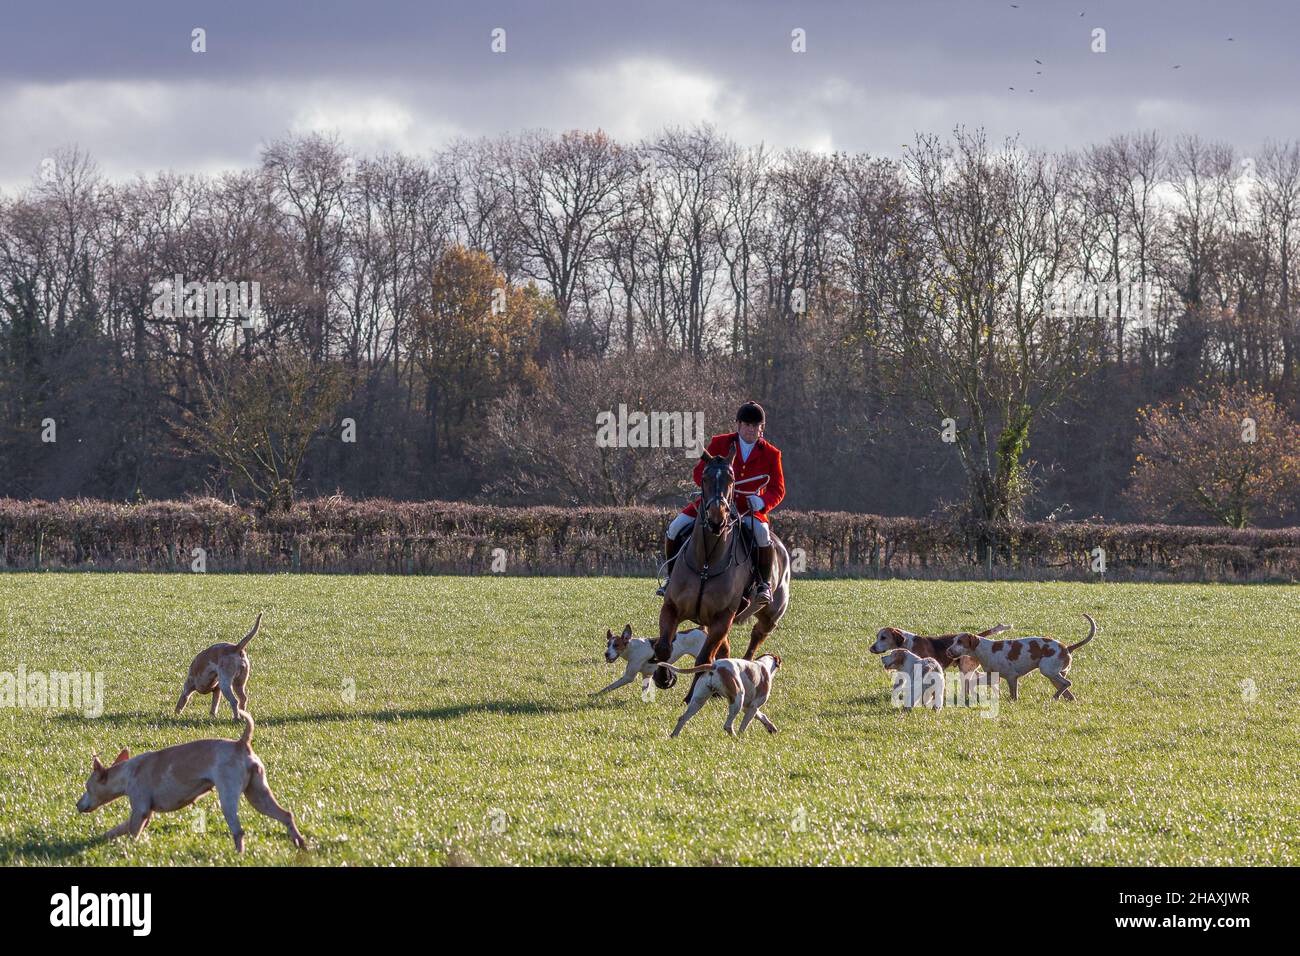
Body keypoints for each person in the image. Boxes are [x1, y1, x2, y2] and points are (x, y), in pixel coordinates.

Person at [657, 401, 785, 604]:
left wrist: (761, 502)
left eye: (755, 426)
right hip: (713, 504)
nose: (751, 430)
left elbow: (778, 490)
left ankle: (763, 584)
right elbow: (699, 472)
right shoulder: (720, 442)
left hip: (747, 510)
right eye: (746, 425)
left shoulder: (772, 454)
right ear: (738, 425)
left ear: (762, 428)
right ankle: (670, 578)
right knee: (674, 528)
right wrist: (713, 489)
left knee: (762, 534)